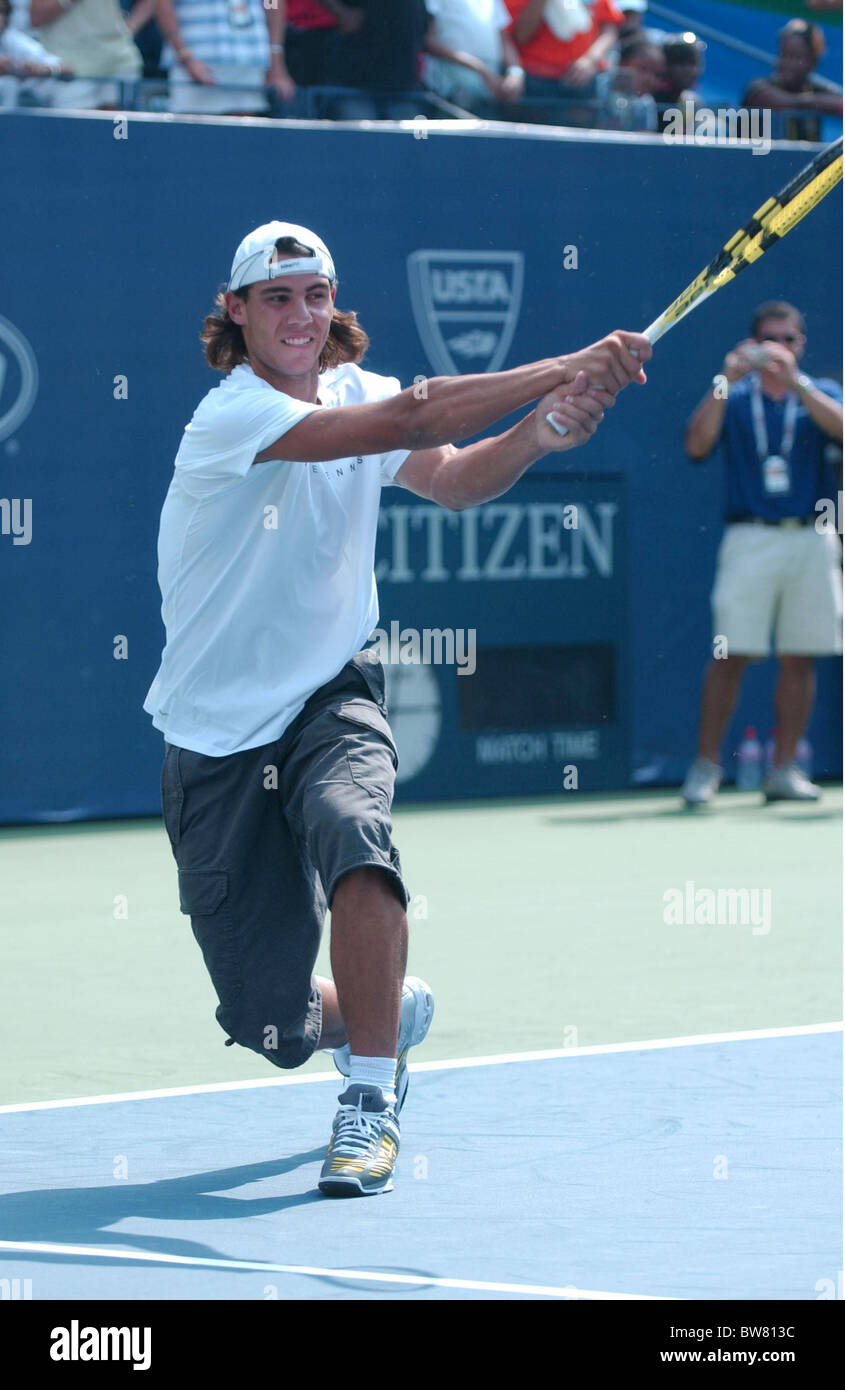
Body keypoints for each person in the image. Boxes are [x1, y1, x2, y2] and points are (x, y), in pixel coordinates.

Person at [143, 220, 651, 1195]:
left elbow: (455, 479)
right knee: (268, 1025)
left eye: (315, 294)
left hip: (329, 690)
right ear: (236, 311)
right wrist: (564, 369)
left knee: (354, 833)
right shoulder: (231, 418)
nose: (299, 314)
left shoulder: (358, 391)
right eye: (277, 297)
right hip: (210, 730)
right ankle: (378, 1013)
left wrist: (540, 435)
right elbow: (414, 420)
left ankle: (368, 1096)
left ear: (334, 307)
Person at [682, 301, 843, 807]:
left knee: (801, 656)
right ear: (750, 348)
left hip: (812, 537)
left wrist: (799, 383)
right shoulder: (735, 394)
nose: (779, 350)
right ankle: (706, 768)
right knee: (731, 653)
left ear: (801, 345)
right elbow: (696, 445)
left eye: (789, 340)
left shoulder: (819, 392)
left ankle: (784, 769)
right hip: (750, 538)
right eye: (768, 341)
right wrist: (723, 381)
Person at [153, 0, 295, 117]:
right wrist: (185, 57)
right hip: (197, 61)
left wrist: (276, 63)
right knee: (195, 137)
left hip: (249, 61)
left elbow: (272, 4)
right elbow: (163, 3)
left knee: (242, 140)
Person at [505, 0, 625, 127]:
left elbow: (609, 31)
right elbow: (521, 36)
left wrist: (590, 60)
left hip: (583, 83)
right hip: (535, 85)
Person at [326, 0, 432, 120]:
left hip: (404, 85)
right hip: (355, 83)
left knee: (409, 136)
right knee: (360, 136)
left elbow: (424, 32)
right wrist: (341, 13)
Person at [743, 17, 842, 143]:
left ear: (813, 61)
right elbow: (782, 103)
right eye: (784, 55)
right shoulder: (757, 89)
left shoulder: (820, 91)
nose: (787, 63)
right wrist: (823, 104)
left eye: (796, 57)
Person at [28, 0, 142, 109]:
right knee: (79, 128)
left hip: (118, 60)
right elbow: (36, 17)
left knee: (118, 127)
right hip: (70, 69)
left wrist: (132, 24)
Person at [422, 0, 525, 119]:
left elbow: (504, 40)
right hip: (449, 98)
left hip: (491, 98)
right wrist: (480, 69)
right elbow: (428, 41)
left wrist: (515, 73)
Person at [596, 31, 662, 130]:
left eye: (656, 74)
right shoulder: (597, 89)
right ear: (621, 64)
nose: (649, 79)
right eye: (642, 68)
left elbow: (644, 140)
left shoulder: (646, 103)